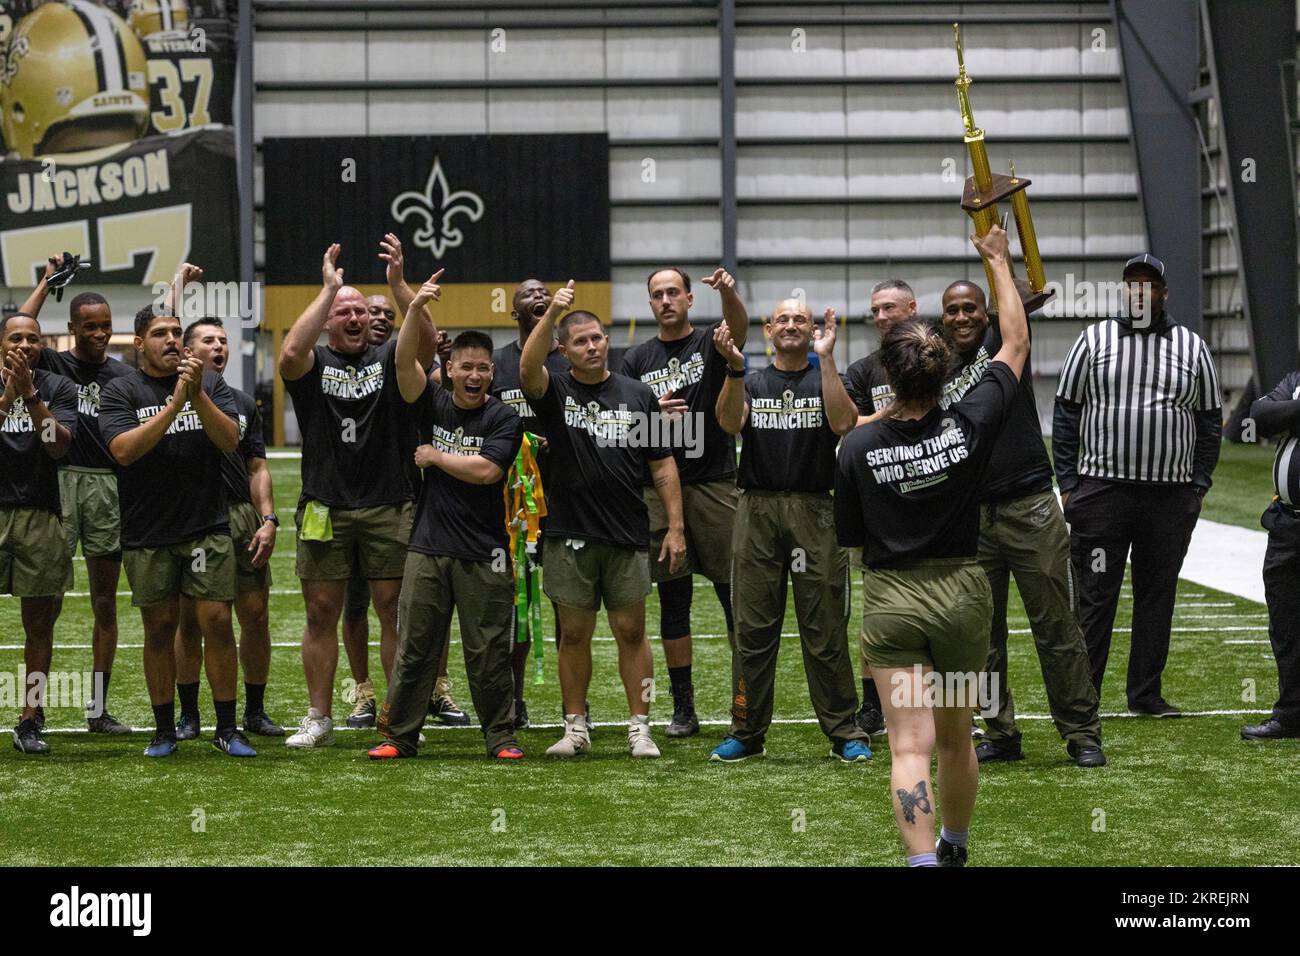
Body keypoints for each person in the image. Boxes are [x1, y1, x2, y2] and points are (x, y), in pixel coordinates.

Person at [835, 225, 1029, 866]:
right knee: (955, 742)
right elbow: (1016, 342)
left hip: (892, 598)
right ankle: (955, 845)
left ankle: (921, 864)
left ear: (887, 374)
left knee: (907, 748)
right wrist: (998, 260)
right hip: (962, 596)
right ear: (944, 369)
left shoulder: (856, 446)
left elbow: (851, 536)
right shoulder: (972, 420)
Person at [938, 280, 1105, 767]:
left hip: (1030, 505)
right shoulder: (935, 365)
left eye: (972, 308)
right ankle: (1001, 732)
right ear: (942, 317)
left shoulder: (1004, 345)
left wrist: (996, 253)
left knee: (1056, 626)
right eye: (953, 310)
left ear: (988, 313)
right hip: (971, 516)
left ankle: (1081, 733)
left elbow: (1012, 311)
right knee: (980, 637)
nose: (963, 317)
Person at [278, 237, 436, 748]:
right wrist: (330, 288)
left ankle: (396, 715)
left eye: (358, 313)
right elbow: (289, 352)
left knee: (393, 610)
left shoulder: (391, 355)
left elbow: (429, 349)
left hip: (390, 503)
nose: (352, 318)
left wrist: (398, 286)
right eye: (342, 312)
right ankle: (319, 717)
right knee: (321, 611)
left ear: (370, 322)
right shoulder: (314, 363)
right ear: (328, 319)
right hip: (325, 504)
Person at [519, 280, 686, 758]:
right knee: (573, 634)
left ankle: (641, 726)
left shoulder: (638, 395)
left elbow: (662, 463)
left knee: (632, 632)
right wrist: (551, 312)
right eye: (580, 341)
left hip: (627, 533)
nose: (592, 346)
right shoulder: (554, 391)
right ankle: (575, 727)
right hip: (569, 533)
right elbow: (529, 366)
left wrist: (675, 527)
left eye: (597, 338)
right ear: (564, 351)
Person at [1053, 254, 1222, 716]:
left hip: (1168, 498)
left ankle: (1145, 695)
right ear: (1123, 292)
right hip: (1102, 494)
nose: (1141, 291)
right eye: (1133, 284)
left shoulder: (1192, 347)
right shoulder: (1093, 340)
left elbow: (1210, 420)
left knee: (1156, 595)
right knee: (1095, 596)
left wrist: (1198, 485)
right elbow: (1066, 413)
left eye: (1150, 284)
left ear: (1164, 293)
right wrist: (1068, 484)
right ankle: (1084, 695)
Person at [367, 274, 524, 760]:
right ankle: (399, 737)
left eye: (483, 369)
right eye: (465, 368)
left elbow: (486, 471)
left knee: (489, 650)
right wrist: (412, 306)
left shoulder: (503, 418)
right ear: (449, 369)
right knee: (415, 647)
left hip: (486, 552)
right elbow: (402, 361)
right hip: (428, 547)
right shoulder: (430, 402)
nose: (474, 376)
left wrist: (436, 457)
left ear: (492, 374)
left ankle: (500, 737)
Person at [709, 301, 870, 763]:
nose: (792, 326)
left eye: (801, 320)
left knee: (825, 628)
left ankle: (844, 730)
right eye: (783, 320)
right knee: (753, 630)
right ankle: (746, 729)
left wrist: (829, 358)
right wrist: (734, 370)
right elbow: (727, 422)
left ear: (813, 329)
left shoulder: (824, 377)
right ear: (768, 329)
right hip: (756, 509)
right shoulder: (751, 380)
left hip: (816, 509)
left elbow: (843, 424)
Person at [99, 308, 253, 757]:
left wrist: (195, 395)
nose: (170, 341)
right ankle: (165, 730)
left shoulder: (208, 384)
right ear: (139, 342)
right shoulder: (120, 390)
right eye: (159, 334)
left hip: (205, 527)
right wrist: (174, 406)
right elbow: (124, 451)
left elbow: (229, 441)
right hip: (149, 532)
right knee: (160, 627)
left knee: (217, 622)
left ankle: (227, 729)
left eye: (174, 334)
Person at [619, 266, 748, 738]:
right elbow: (628, 430)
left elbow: (740, 327)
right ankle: (683, 709)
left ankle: (745, 700)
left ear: (691, 299)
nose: (666, 300)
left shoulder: (712, 341)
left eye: (674, 292)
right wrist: (655, 416)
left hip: (713, 481)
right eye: (657, 294)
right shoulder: (634, 359)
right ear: (650, 304)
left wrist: (731, 294)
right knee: (674, 601)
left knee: (734, 594)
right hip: (658, 488)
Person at [23, 261, 134, 733]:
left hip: (108, 487)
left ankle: (97, 708)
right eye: (89, 327)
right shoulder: (54, 364)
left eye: (106, 326)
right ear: (71, 330)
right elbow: (18, 329)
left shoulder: (124, 375)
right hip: (60, 481)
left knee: (105, 602)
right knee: (47, 604)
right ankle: (35, 706)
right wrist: (46, 283)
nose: (99, 334)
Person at [173, 313, 284, 738]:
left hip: (239, 515)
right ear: (187, 351)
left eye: (222, 340)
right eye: (208, 341)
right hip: (193, 516)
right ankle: (189, 716)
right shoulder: (169, 398)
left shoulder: (241, 402)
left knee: (255, 615)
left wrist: (269, 518)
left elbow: (258, 466)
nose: (219, 347)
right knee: (192, 621)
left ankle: (254, 712)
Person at [490, 279, 571, 729]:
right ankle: (513, 701)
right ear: (513, 310)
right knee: (515, 608)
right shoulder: (500, 362)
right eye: (528, 294)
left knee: (566, 609)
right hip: (510, 505)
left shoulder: (570, 356)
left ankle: (572, 706)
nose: (538, 297)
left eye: (545, 291)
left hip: (564, 496)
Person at [842, 278, 920, 736]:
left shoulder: (937, 357)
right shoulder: (863, 369)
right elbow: (849, 425)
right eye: (875, 311)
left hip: (933, 495)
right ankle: (873, 706)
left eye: (889, 307)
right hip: (880, 504)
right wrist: (896, 411)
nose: (881, 317)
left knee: (943, 613)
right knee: (878, 612)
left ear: (912, 307)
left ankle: (955, 709)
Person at [2, 312, 77, 754]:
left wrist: (29, 396)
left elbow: (57, 444)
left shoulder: (57, 386)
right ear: (1, 344)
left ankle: (30, 717)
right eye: (16, 337)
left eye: (33, 338)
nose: (26, 344)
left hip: (39, 514)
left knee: (39, 623)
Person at [1240, 369, 1300, 741]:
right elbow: (1259, 416)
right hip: (1286, 525)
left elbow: (1275, 415)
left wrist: (1290, 413)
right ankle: (1292, 713)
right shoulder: (1296, 378)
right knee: (1286, 625)